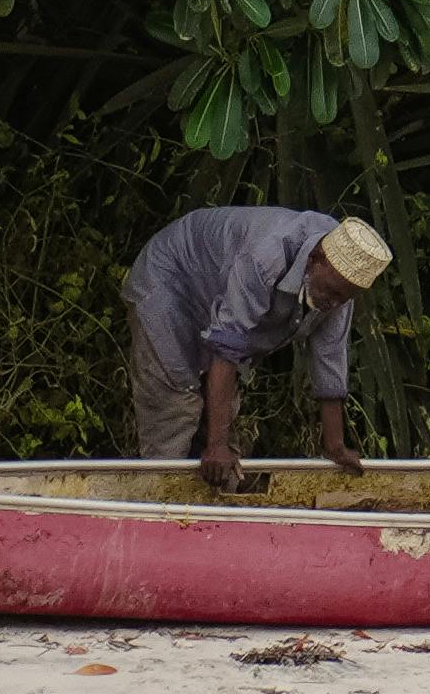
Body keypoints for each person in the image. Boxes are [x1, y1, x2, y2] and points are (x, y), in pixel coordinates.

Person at [125, 207, 388, 489]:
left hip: (218, 298)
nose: (333, 303)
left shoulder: (342, 283)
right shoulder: (266, 257)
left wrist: (335, 446)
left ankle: (215, 506)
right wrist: (217, 445)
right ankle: (160, 498)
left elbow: (330, 358)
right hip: (170, 281)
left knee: (220, 429)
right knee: (177, 405)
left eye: (343, 298)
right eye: (331, 292)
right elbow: (228, 344)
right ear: (314, 259)